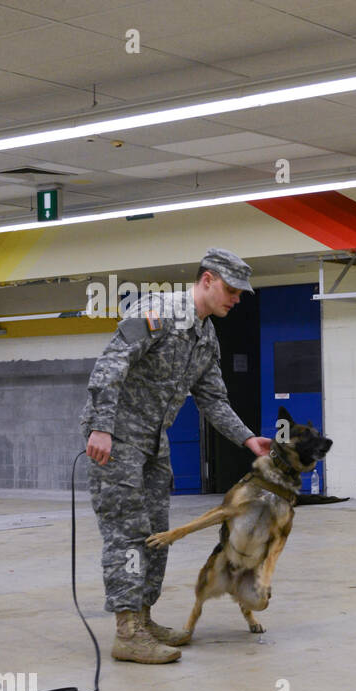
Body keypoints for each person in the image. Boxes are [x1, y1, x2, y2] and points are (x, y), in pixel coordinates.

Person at [81, 248, 272, 664]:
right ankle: (127, 631)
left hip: (153, 443)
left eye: (241, 293)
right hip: (117, 439)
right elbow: (110, 366)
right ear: (207, 280)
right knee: (127, 534)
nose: (236, 299)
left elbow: (213, 398)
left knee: (157, 534)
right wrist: (101, 426)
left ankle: (144, 619)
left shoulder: (205, 336)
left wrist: (247, 440)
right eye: (231, 290)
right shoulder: (158, 312)